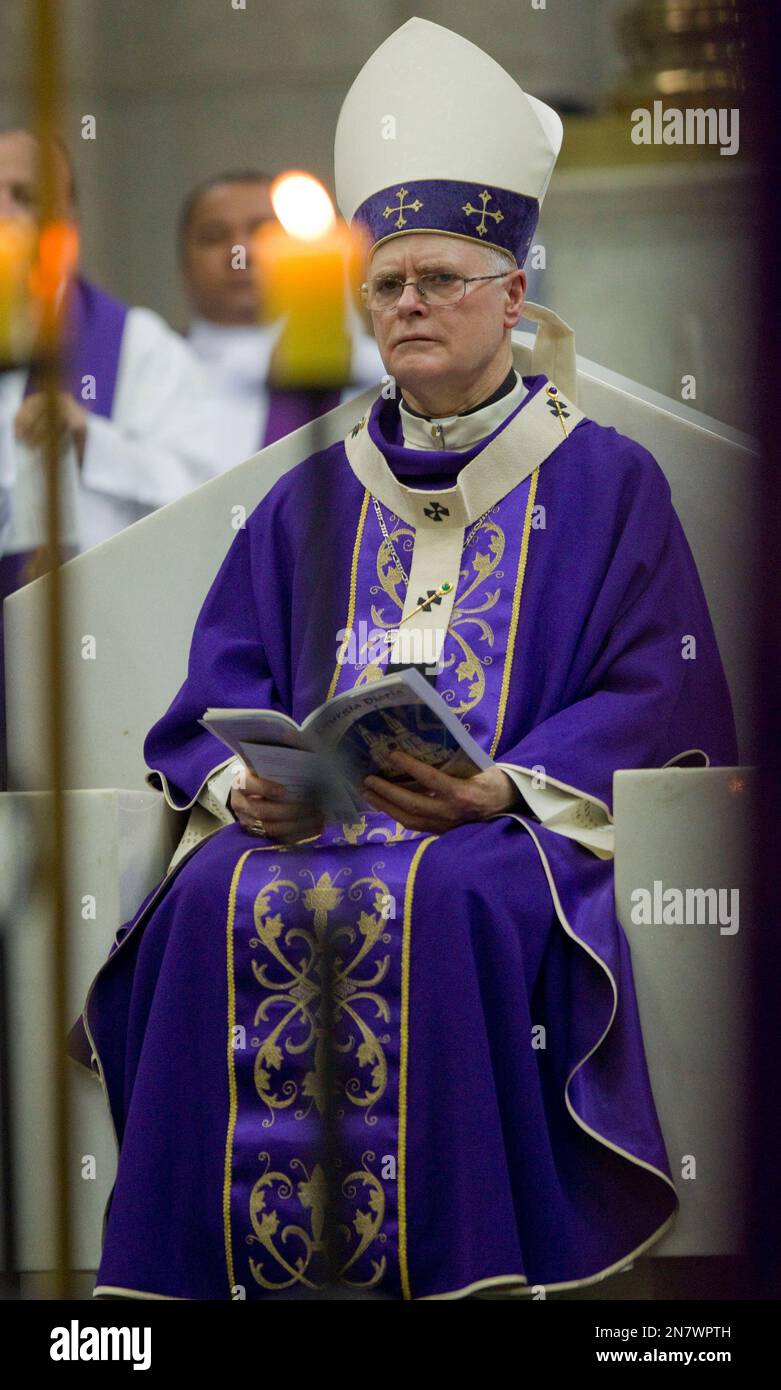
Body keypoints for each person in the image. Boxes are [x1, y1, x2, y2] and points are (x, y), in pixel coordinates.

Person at [67, 17, 738, 1301]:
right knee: (206, 901)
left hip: (500, 837)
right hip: (308, 830)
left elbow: (662, 692)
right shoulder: (308, 497)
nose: (410, 304)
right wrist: (246, 784)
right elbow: (219, 691)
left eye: (440, 278)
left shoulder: (605, 484)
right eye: (387, 285)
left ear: (512, 294)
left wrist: (507, 785)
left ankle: (466, 1275)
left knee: (462, 906)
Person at [0, 128, 220, 784]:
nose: (4, 215)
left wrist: (94, 439)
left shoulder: (139, 350)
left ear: (66, 222)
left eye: (23, 196)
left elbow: (207, 494)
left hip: (101, 653)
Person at [180, 169, 384, 463]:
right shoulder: (156, 375)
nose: (240, 252)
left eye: (262, 231)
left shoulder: (377, 375)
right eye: (214, 237)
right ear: (184, 264)